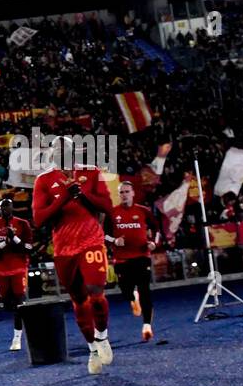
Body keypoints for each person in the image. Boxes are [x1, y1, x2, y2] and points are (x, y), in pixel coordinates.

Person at [32, 136, 114, 373]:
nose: (61, 153)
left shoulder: (91, 173)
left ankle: (102, 336)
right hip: (64, 249)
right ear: (52, 155)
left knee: (96, 292)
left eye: (65, 149)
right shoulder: (44, 181)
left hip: (91, 242)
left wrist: (82, 195)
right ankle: (92, 349)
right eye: (56, 151)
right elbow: (39, 219)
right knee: (79, 302)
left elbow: (107, 206)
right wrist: (64, 197)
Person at [106, 181, 159, 341]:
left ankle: (147, 326)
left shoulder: (144, 211)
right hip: (122, 259)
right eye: (121, 192)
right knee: (125, 290)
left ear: (133, 193)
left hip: (142, 257)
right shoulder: (112, 213)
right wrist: (115, 241)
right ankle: (132, 297)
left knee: (145, 290)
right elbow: (103, 235)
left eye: (127, 191)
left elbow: (156, 229)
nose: (124, 195)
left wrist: (153, 243)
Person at [0, 197, 34, 351]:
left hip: (18, 267)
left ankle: (17, 338)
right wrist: (4, 243)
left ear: (12, 208)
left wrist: (16, 239)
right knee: (7, 304)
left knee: (20, 303)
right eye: (2, 207)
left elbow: (30, 247)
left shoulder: (22, 223)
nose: (5, 209)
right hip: (1, 269)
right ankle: (20, 326)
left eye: (7, 207)